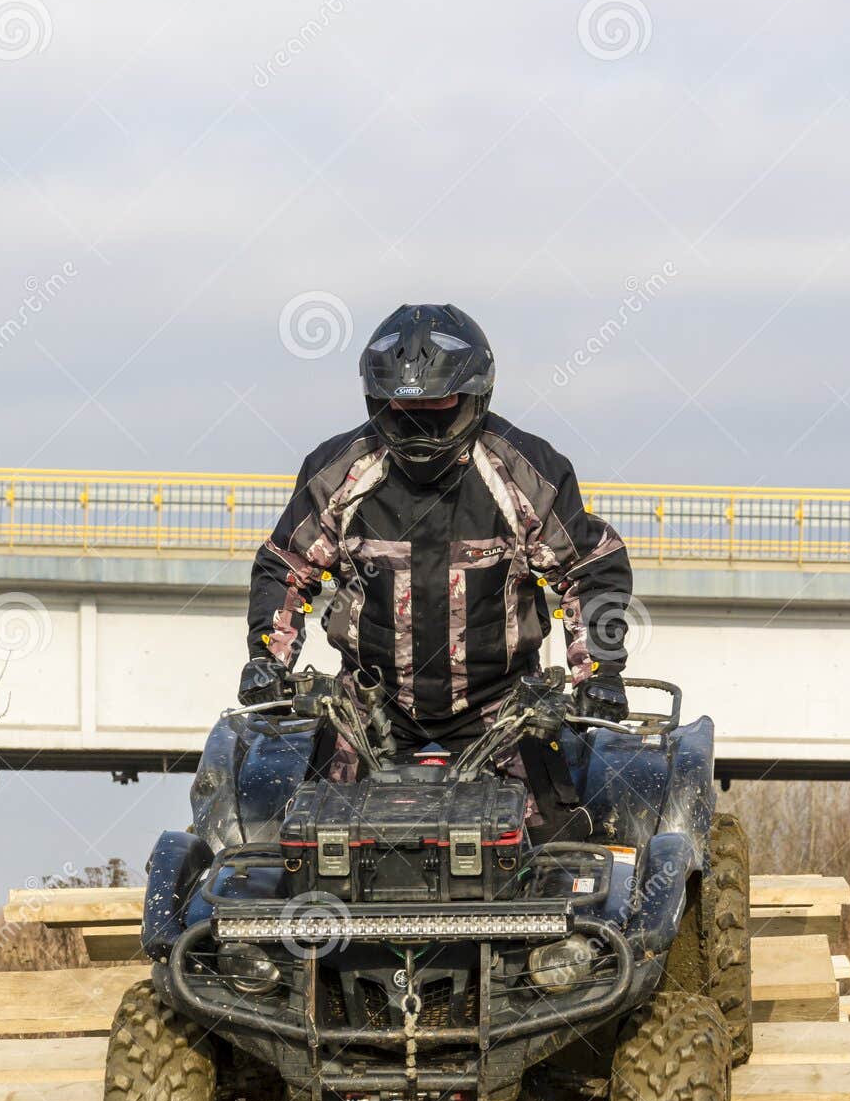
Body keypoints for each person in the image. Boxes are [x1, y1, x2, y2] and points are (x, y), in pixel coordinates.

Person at [239, 303, 632, 782]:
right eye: (403, 412)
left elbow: (589, 568)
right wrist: (266, 661)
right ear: (378, 404)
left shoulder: (528, 473)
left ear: (475, 398)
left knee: (566, 834)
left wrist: (600, 674)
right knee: (293, 823)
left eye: (436, 409)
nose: (419, 427)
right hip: (369, 709)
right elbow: (286, 568)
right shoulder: (337, 473)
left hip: (503, 711)